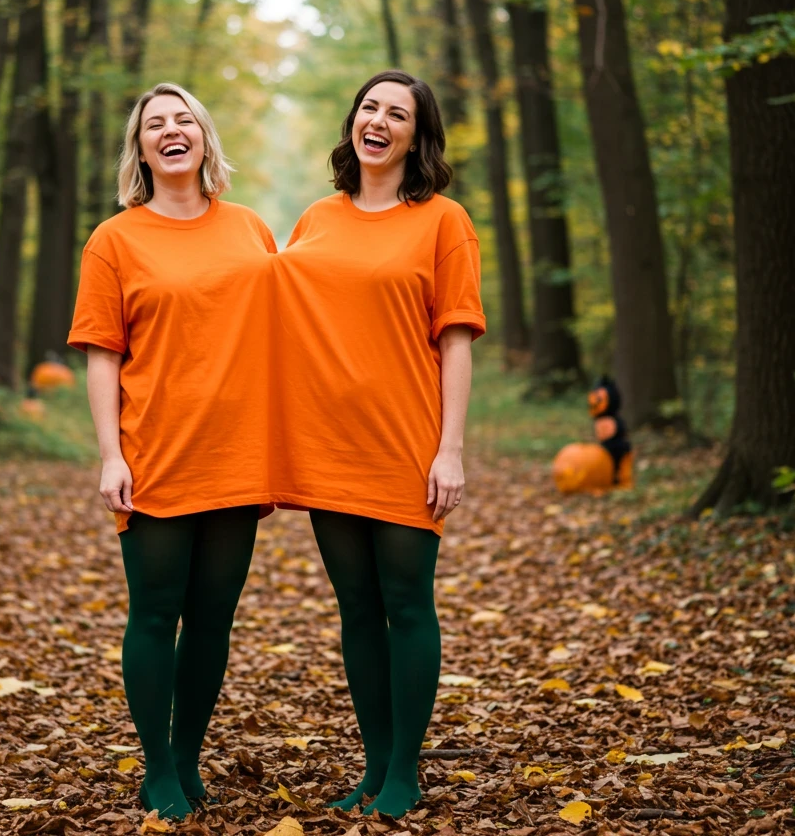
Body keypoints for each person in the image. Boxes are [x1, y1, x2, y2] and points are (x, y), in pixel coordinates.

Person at [272, 70, 484, 818]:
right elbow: (277, 324)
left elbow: (455, 339)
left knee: (406, 601)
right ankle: (371, 766)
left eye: (399, 113)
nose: (380, 120)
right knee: (355, 610)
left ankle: (404, 772)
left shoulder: (443, 221)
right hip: (326, 445)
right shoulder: (314, 219)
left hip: (404, 443)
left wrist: (449, 448)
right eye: (370, 106)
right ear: (352, 122)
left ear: (417, 136)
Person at [68, 83, 276, 820]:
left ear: (204, 137)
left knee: (214, 617)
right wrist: (110, 455)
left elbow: (290, 328)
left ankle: (188, 757)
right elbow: (100, 353)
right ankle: (156, 766)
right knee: (156, 614)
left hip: (240, 455)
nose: (170, 130)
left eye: (183, 118)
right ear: (142, 149)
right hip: (155, 453)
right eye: (155, 123)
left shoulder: (252, 229)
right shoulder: (114, 240)